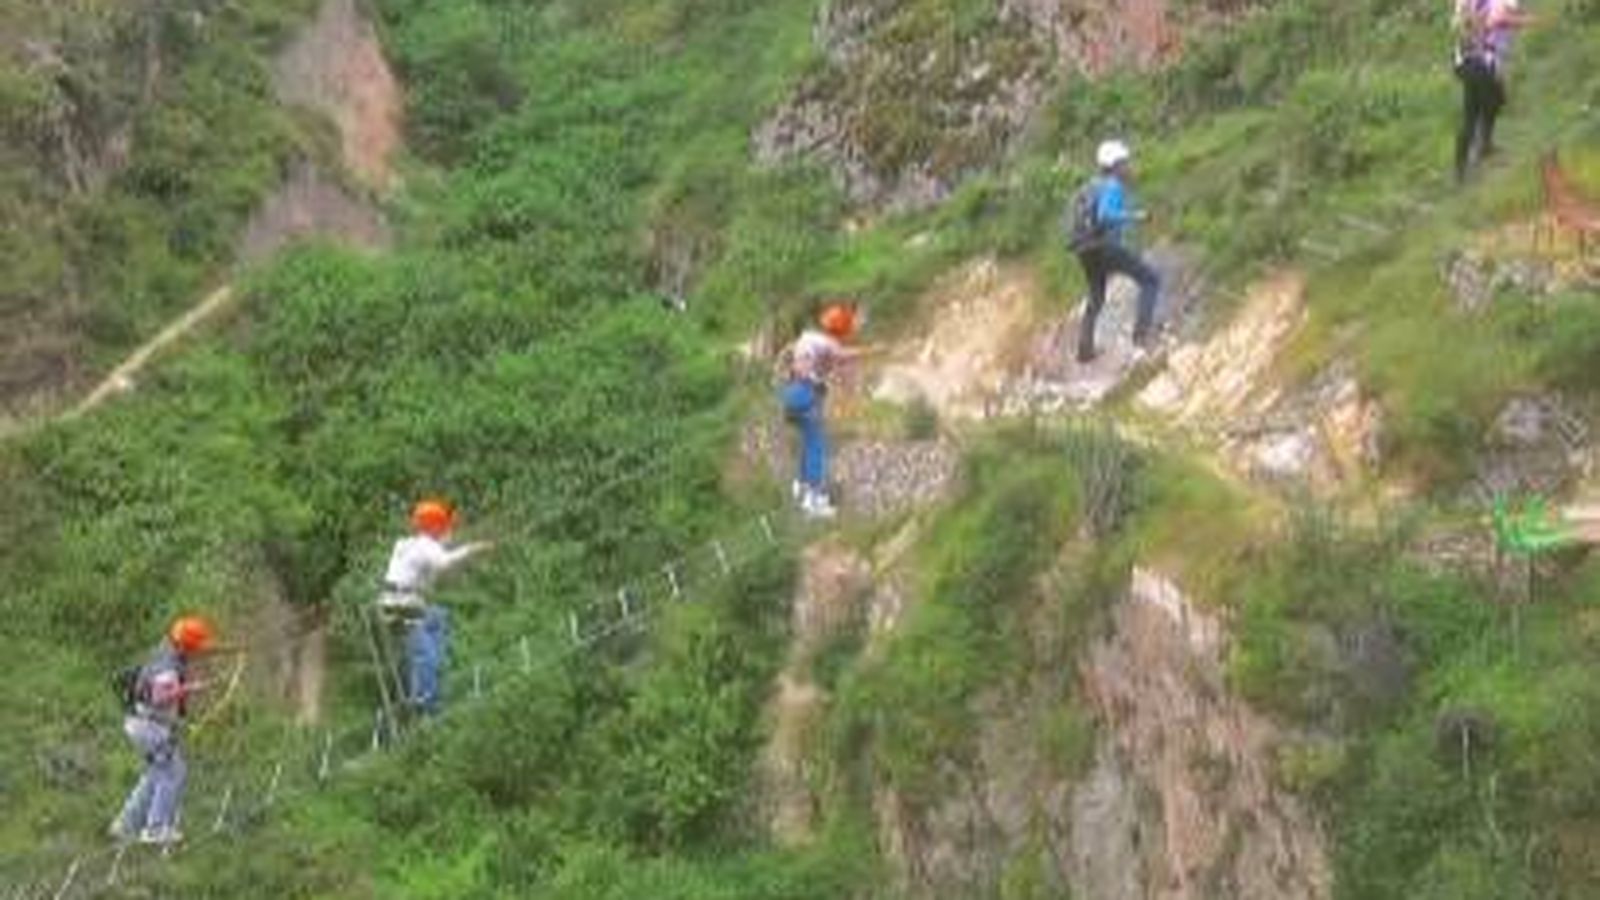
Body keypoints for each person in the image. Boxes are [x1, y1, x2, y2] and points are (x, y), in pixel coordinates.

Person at [377, 499, 493, 715]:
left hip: (396, 603)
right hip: (403, 606)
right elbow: (444, 563)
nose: (449, 532)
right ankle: (427, 703)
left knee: (439, 618)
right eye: (445, 527)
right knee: (427, 656)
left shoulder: (409, 543)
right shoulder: (425, 546)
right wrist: (472, 549)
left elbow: (432, 567)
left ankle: (428, 682)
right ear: (436, 527)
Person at [111, 615, 216, 846]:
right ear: (188, 646)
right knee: (174, 773)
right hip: (149, 728)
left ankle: (124, 825)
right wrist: (190, 689)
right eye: (197, 648)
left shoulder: (163, 651)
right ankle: (156, 828)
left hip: (138, 723)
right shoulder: (167, 668)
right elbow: (159, 698)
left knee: (155, 774)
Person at [1068, 139, 1161, 365]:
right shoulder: (1113, 185)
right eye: (1125, 163)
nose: (1129, 167)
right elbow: (1105, 215)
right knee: (1150, 280)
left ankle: (1084, 350)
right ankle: (1141, 339)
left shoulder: (1089, 186)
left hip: (1083, 249)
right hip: (1103, 247)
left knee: (1096, 297)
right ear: (1115, 165)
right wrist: (1136, 216)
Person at [780, 304, 871, 519]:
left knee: (808, 439)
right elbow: (844, 357)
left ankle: (800, 485)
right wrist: (873, 350)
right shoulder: (828, 343)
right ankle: (813, 499)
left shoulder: (808, 337)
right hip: (806, 395)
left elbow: (831, 364)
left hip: (790, 394)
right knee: (816, 446)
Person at [1453, 0, 1534, 182]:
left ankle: (1475, 155)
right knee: (1477, 111)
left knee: (1493, 101)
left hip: (1473, 63)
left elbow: (1498, 18)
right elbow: (1497, 19)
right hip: (1475, 62)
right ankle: (1472, 158)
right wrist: (1528, 21)